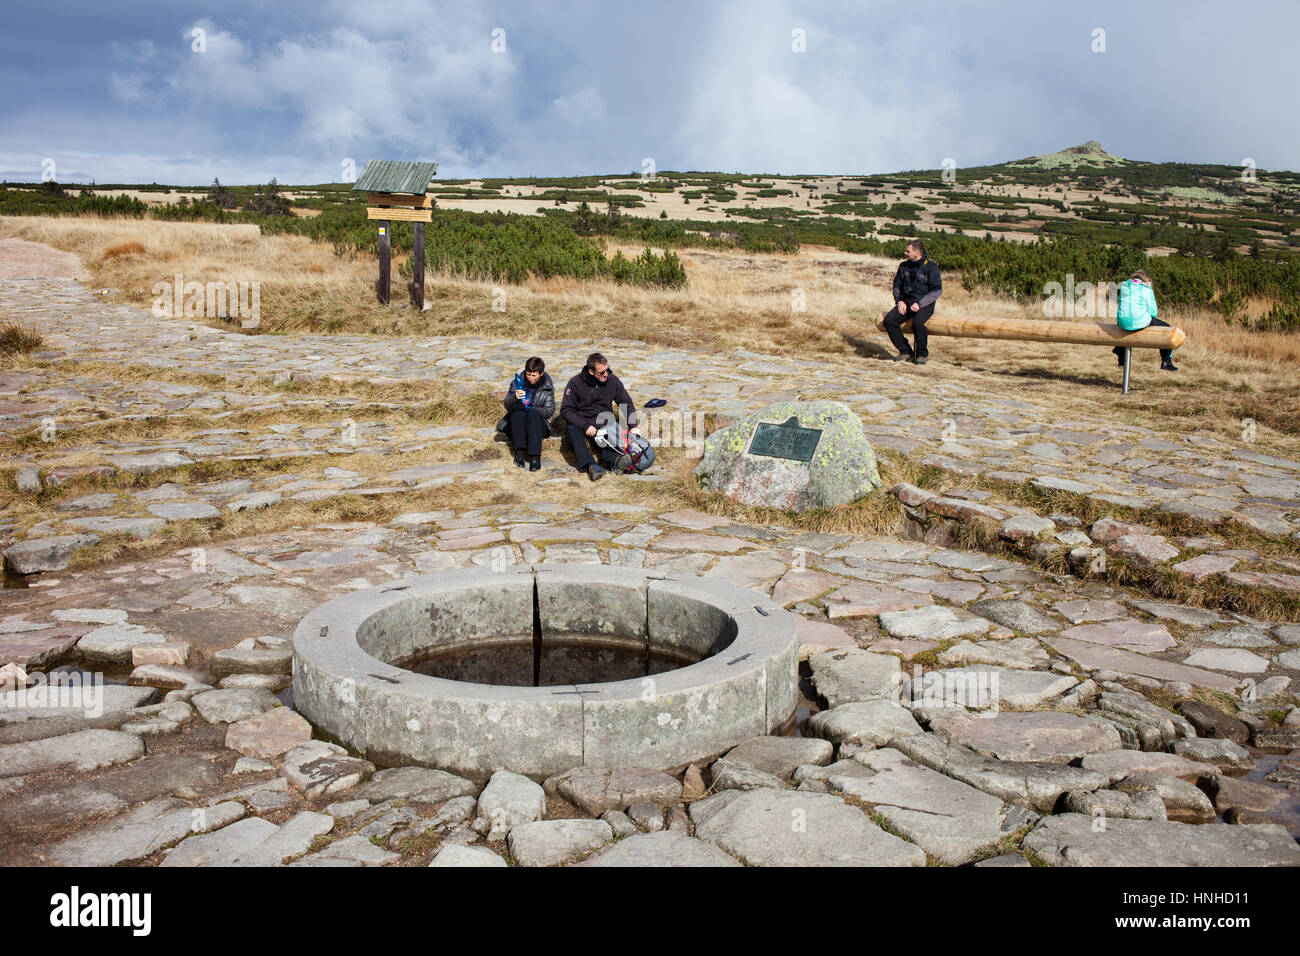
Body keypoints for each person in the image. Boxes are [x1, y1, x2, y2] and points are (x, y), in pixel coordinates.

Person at [560, 352, 643, 480]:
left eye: (607, 370)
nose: (606, 374)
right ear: (591, 372)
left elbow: (625, 403)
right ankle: (591, 465)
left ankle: (616, 463)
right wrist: (585, 425)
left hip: (604, 422)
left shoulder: (613, 381)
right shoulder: (575, 383)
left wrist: (633, 425)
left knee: (609, 438)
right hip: (582, 423)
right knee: (572, 431)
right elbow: (566, 410)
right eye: (601, 372)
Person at [882, 239, 942, 365]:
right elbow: (897, 286)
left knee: (918, 324)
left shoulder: (930, 267)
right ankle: (905, 351)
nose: (905, 253)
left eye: (908, 251)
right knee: (889, 321)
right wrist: (899, 301)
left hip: (925, 305)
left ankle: (921, 355)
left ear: (917, 253)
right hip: (906, 303)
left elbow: (937, 291)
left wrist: (920, 304)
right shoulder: (903, 266)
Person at [1113, 270, 1177, 371]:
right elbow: (1153, 312)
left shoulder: (1124, 287)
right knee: (1167, 329)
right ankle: (1166, 361)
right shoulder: (1146, 289)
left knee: (1126, 328)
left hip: (1121, 322)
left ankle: (1121, 355)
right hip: (1138, 321)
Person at [500, 356, 555, 471]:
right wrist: (514, 397)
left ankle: (535, 457)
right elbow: (506, 404)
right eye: (528, 374)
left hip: (537, 425)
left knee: (533, 413)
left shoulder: (547, 386)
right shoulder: (517, 382)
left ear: (541, 373)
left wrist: (531, 408)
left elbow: (549, 411)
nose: (530, 378)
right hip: (517, 424)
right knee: (517, 412)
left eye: (533, 375)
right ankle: (519, 453)